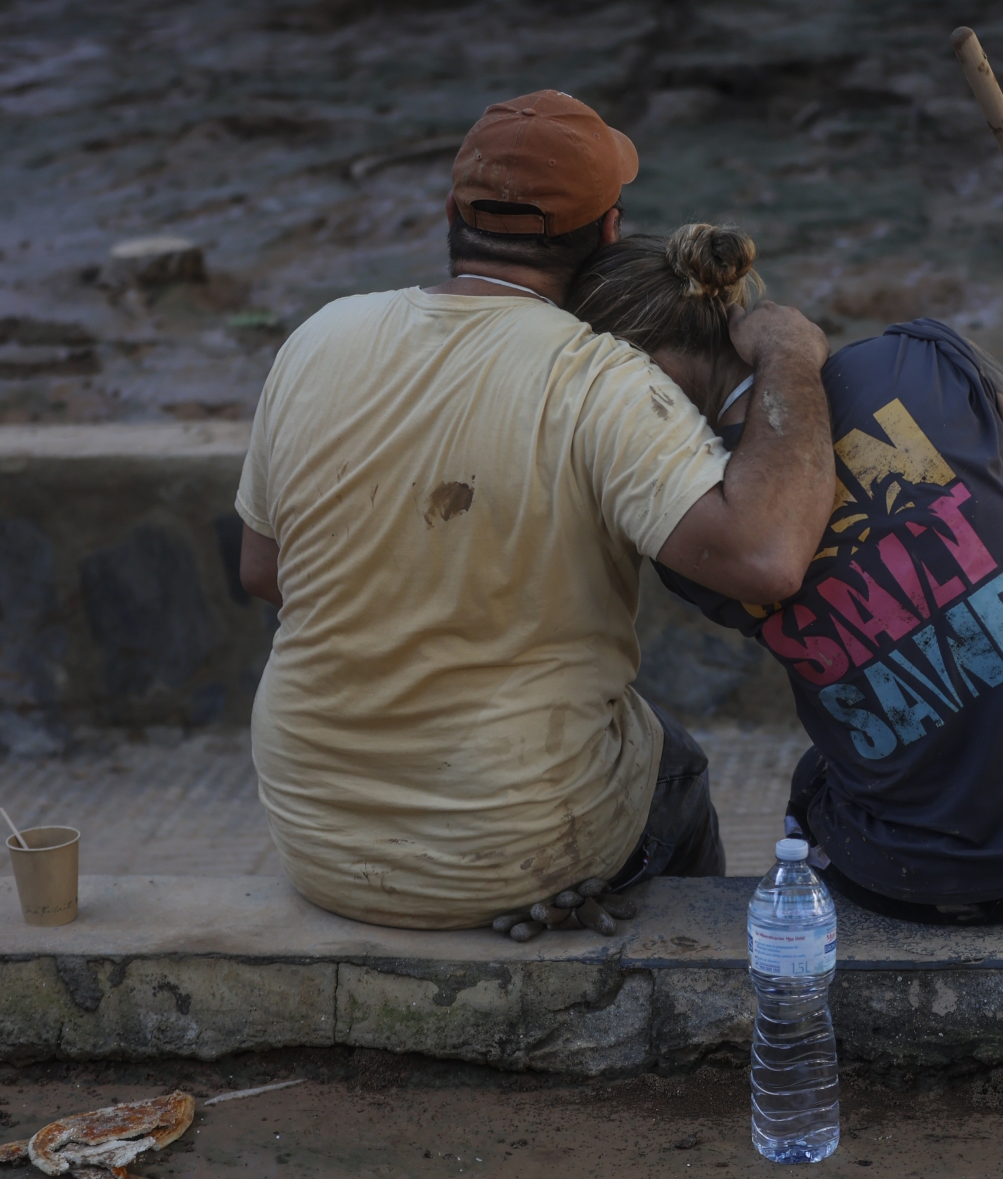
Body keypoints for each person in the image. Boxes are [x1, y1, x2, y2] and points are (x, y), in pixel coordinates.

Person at [233, 92, 836, 931]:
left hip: (319, 843)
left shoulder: (319, 336)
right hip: (516, 850)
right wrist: (793, 360)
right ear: (610, 233)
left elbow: (264, 572)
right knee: (676, 766)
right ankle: (687, 975)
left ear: (452, 213)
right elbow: (766, 558)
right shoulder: (600, 381)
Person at [564, 223, 1003, 924]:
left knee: (814, 799)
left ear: (641, 373)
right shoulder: (928, 358)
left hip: (933, 887)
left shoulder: (696, 526)